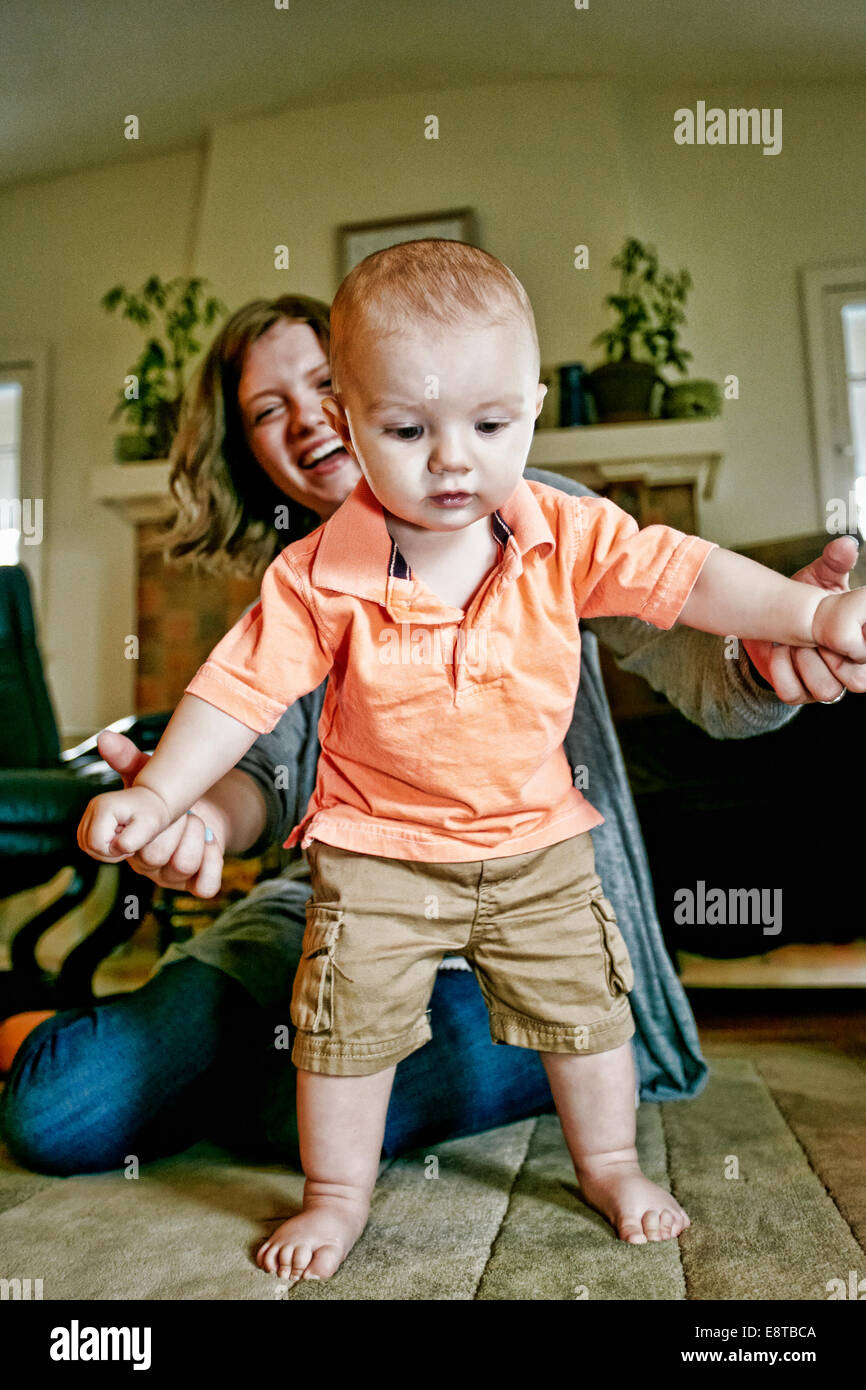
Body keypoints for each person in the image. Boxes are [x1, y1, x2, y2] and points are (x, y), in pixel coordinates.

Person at [75, 239, 866, 1283]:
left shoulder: (558, 525)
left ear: (529, 410)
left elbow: (685, 579)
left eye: (488, 424)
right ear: (362, 424)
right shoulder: (312, 577)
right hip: (375, 865)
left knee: (585, 1015)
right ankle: (337, 1194)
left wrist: (808, 612)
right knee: (337, 1038)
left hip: (538, 850)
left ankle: (610, 1161)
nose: (452, 459)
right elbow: (239, 698)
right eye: (406, 429)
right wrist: (171, 796)